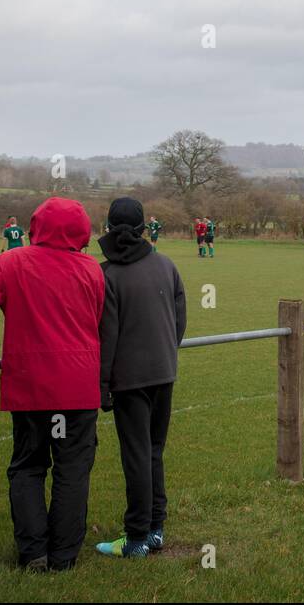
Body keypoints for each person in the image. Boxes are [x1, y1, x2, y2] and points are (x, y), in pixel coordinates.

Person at [0, 197, 104, 572]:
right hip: (77, 387)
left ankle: (33, 553)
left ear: (36, 225)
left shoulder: (11, 261)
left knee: (28, 467)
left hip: (31, 386)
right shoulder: (91, 269)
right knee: (72, 470)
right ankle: (64, 556)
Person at [94, 198, 187, 559]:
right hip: (164, 372)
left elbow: (108, 335)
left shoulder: (108, 274)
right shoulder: (166, 264)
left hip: (129, 380)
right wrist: (165, 351)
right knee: (153, 452)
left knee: (136, 455)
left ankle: (135, 539)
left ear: (108, 227)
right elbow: (179, 319)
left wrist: (102, 385)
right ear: (143, 228)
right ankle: (156, 530)